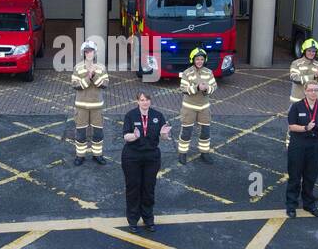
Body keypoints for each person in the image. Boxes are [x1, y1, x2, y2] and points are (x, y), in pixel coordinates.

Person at [121, 91, 171, 233]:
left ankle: (148, 219)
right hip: (132, 156)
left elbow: (164, 136)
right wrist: (134, 136)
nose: (145, 102)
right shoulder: (130, 115)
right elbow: (126, 136)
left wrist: (164, 134)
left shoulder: (157, 116)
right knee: (133, 188)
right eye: (142, 100)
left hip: (151, 157)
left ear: (150, 101)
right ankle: (132, 220)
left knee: (149, 188)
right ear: (137, 101)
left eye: (147, 99)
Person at [286, 80, 318, 218]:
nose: (313, 92)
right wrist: (305, 128)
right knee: (295, 177)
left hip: (315, 145)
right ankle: (291, 206)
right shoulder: (297, 106)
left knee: (310, 176)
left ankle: (309, 204)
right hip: (298, 145)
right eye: (310, 90)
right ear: (305, 91)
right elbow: (291, 126)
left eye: (316, 90)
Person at [71, 40, 109, 166]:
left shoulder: (101, 68)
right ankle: (80, 156)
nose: (89, 53)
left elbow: (104, 85)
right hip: (81, 106)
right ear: (83, 53)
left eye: (91, 51)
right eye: (86, 51)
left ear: (95, 52)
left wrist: (93, 76)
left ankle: (97, 155)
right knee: (80, 133)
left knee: (98, 133)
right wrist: (88, 77)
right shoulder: (78, 67)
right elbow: (76, 86)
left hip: (96, 106)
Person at [177, 47, 217, 165]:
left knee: (205, 131)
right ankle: (182, 153)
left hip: (204, 107)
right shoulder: (187, 73)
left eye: (201, 59)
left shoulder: (209, 72)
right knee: (186, 131)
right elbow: (183, 89)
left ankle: (204, 153)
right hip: (189, 107)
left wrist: (207, 89)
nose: (199, 61)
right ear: (192, 60)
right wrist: (197, 88)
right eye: (197, 59)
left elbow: (214, 87)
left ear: (204, 60)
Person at [286, 38, 318, 146]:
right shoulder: (296, 63)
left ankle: (312, 143)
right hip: (298, 100)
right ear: (304, 51)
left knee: (315, 123)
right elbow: (294, 78)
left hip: (314, 101)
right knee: (294, 123)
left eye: (313, 51)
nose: (311, 53)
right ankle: (290, 144)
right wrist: (313, 76)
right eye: (309, 50)